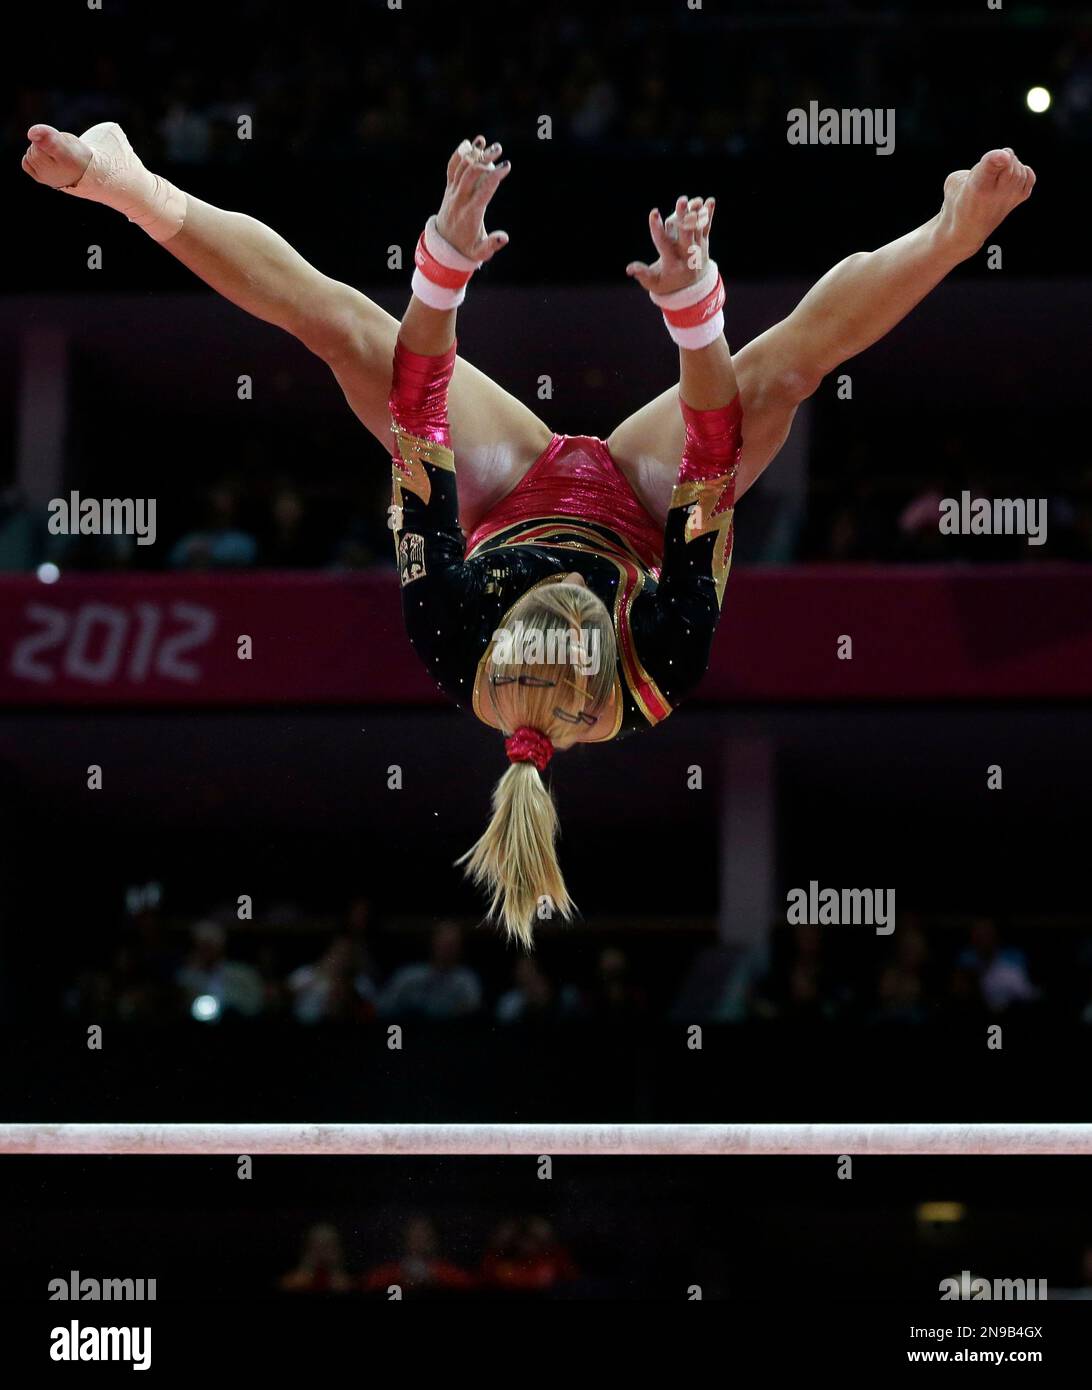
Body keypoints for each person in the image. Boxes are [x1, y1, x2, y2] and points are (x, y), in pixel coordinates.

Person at [23, 122, 1036, 947]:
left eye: (522, 610)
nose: (544, 601)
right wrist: (693, 310)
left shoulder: (452, 630)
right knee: (779, 375)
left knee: (346, 333)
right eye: (573, 609)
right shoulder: (665, 655)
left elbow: (414, 415)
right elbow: (708, 460)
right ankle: (946, 235)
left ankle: (137, 189)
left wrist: (442, 267)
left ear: (498, 620)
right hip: (647, 512)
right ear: (606, 642)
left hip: (502, 497)